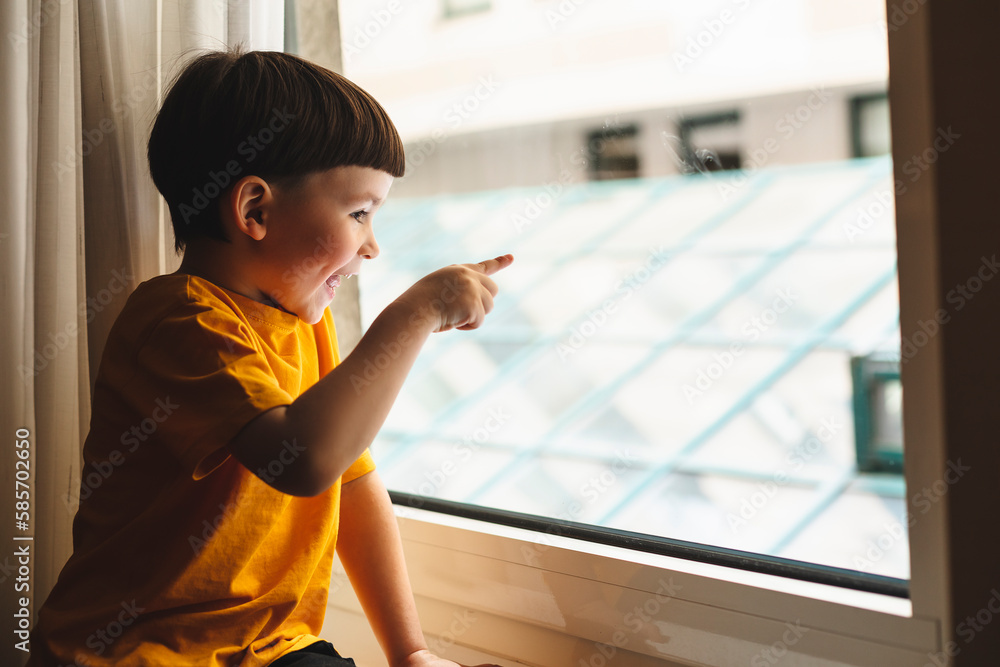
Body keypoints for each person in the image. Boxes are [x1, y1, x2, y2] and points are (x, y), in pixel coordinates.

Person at [27, 49, 513, 667]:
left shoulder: (305, 326)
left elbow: (350, 483)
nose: (372, 246)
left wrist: (410, 651)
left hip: (269, 650)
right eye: (360, 212)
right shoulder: (181, 321)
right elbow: (304, 461)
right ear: (254, 210)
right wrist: (412, 315)